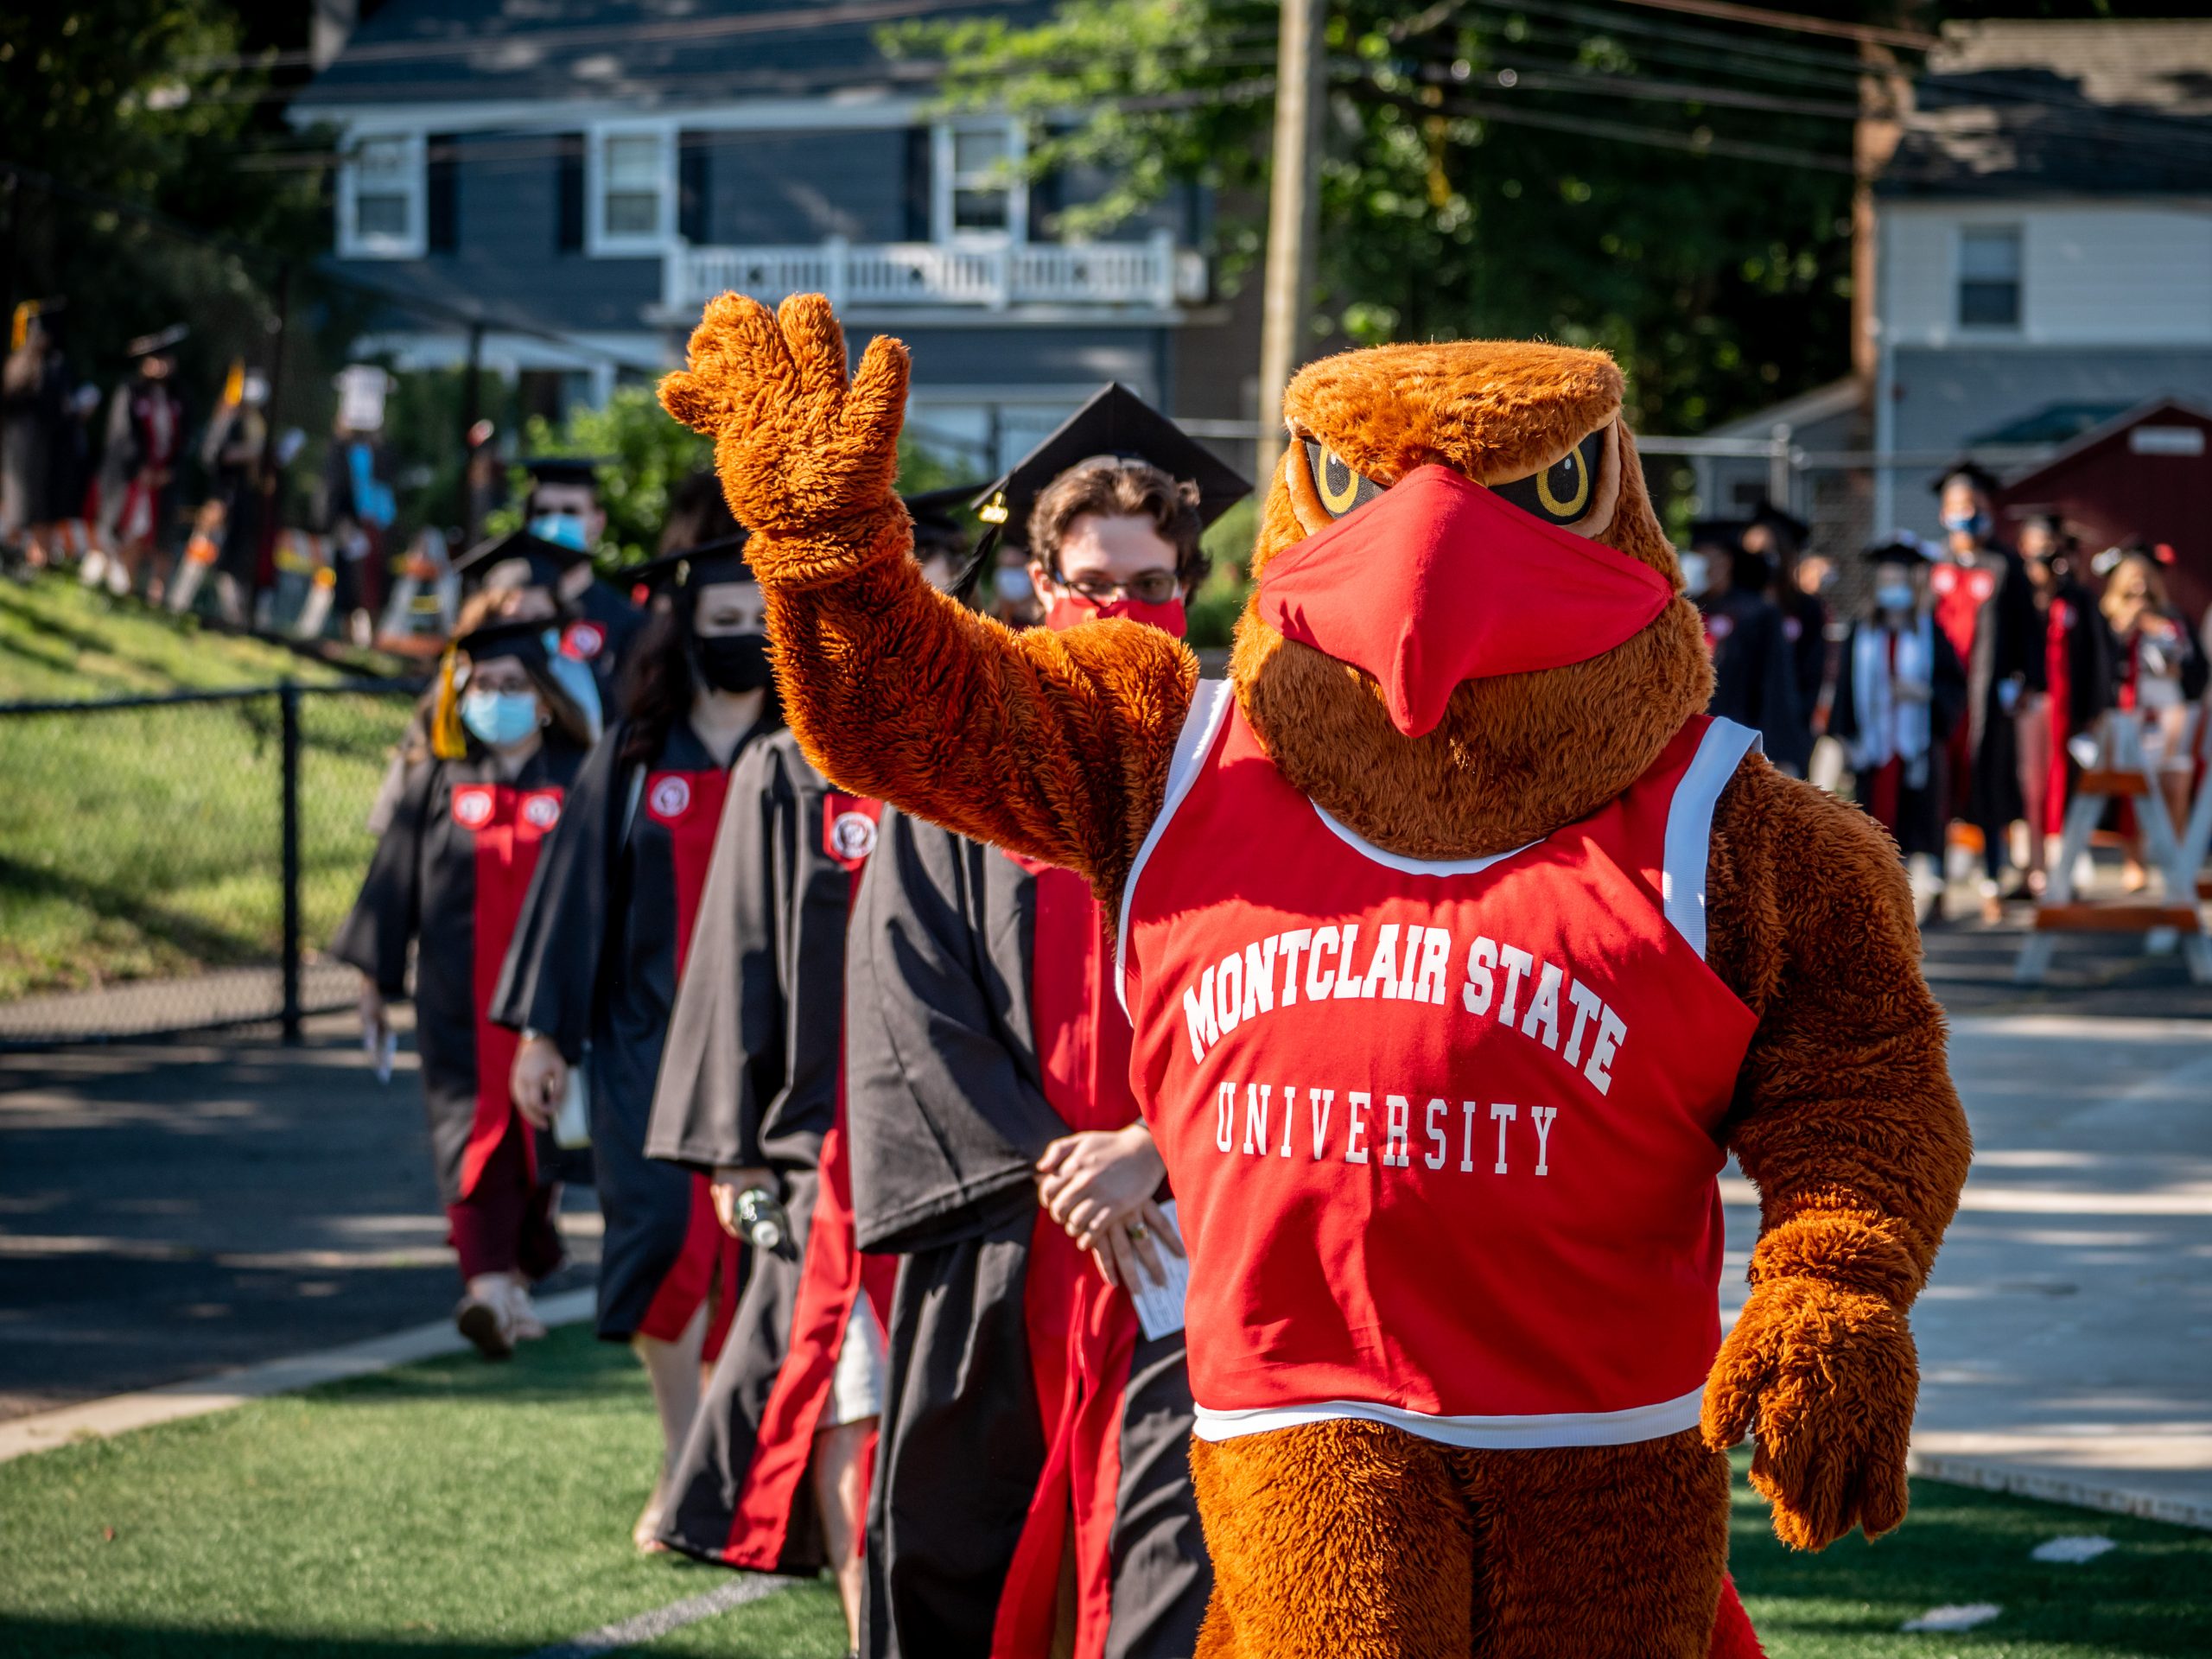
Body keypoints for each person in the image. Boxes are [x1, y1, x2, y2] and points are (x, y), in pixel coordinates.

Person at [848, 391, 1240, 1659]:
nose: (1124, 614)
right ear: (1035, 582)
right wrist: (1054, 1165)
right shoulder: (964, 764)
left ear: (1189, 585)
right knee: (960, 1549)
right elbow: (914, 990)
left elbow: (1291, 984)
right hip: (1012, 1227)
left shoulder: (1242, 764)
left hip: (1189, 1228)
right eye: (1093, 585)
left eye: (1153, 586)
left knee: (1166, 1571)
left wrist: (1159, 1147)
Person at [493, 538, 776, 1551]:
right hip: (644, 1043)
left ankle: (745, 1468)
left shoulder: (805, 751)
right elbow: (573, 899)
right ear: (686, 628)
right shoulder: (636, 753)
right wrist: (541, 1033)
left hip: (776, 1058)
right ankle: (683, 1452)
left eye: (759, 624)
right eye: (723, 624)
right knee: (660, 1244)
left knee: (763, 1261)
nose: (742, 642)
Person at [642, 682, 891, 1650]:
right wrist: (734, 1149)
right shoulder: (787, 770)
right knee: (851, 1398)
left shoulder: (978, 762)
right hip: (826, 1158)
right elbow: (740, 949)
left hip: (986, 1148)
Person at [331, 615, 596, 1357]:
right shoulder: (438, 781)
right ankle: (489, 1286)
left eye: (512, 686)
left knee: (542, 1141)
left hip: (553, 1002)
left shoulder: (581, 781)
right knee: (467, 1138)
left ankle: (512, 1275)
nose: (496, 700)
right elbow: (390, 889)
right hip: (457, 1005)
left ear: (543, 698)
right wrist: (373, 985)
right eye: (482, 686)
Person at [1929, 461, 2041, 920]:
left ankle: (1991, 879)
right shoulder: (1933, 565)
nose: (1966, 513)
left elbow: (2028, 631)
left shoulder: (2005, 565)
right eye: (1957, 506)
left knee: (1988, 785)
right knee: (1938, 788)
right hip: (1940, 698)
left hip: (1987, 695)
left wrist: (2025, 681)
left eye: (1973, 505)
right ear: (1943, 513)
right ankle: (1936, 884)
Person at [1828, 537, 1967, 907]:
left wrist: (1925, 694)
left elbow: (1955, 684)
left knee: (1921, 822)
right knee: (1873, 821)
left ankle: (1927, 896)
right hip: (1873, 747)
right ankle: (1877, 896)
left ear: (1913, 585)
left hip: (1917, 747)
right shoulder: (1862, 630)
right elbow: (1844, 687)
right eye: (1887, 581)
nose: (1893, 589)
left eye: (1899, 581)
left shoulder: (1929, 631)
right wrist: (1845, 737)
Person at [2014, 514, 2113, 893]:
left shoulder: (2077, 597)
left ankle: (2064, 865)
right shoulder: (2018, 595)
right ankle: (2031, 866)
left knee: (2065, 785)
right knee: (2030, 785)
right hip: (2029, 705)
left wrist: (2093, 710)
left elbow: (2096, 657)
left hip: (2068, 709)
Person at [2100, 547, 2206, 890]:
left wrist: (2179, 665)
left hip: (2171, 711)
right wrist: (2126, 627)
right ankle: (2135, 862)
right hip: (2131, 712)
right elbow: (2102, 665)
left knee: (2174, 785)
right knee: (2134, 789)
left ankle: (2176, 860)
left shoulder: (2174, 619)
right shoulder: (2109, 621)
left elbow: (2197, 668)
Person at [518, 455, 650, 709]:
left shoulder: (627, 622)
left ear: (597, 522)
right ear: (528, 523)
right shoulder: (510, 611)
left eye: (571, 511)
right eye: (543, 512)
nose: (556, 521)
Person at [1691, 521, 1803, 773]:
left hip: (1739, 738)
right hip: (1692, 742)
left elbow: (1775, 685)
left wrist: (1778, 751)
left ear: (1724, 561)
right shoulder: (1684, 611)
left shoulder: (1756, 614)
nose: (1695, 565)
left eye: (1703, 557)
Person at [89, 326, 188, 598]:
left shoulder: (177, 397)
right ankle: (112, 585)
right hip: (129, 478)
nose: (163, 365)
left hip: (162, 479)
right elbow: (122, 435)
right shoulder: (131, 391)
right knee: (122, 527)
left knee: (151, 535)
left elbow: (183, 441)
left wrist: (169, 471)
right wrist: (139, 467)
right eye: (158, 359)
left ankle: (135, 590)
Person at [1742, 499, 1827, 764]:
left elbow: (1813, 673)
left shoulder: (1806, 609)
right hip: (1740, 726)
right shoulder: (1738, 608)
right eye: (1751, 555)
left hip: (1789, 729)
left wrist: (1797, 725)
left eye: (1768, 552)